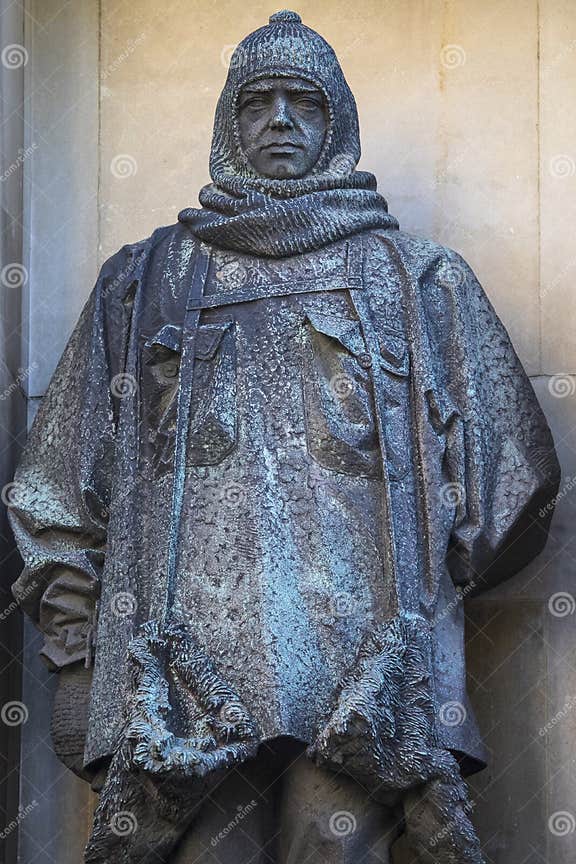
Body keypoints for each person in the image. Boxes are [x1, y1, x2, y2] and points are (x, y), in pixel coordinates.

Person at [8, 10, 560, 864]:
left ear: (336, 121)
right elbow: (57, 487)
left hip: (366, 675)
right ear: (228, 125)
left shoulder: (418, 284)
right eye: (256, 102)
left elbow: (515, 472)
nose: (280, 121)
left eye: (303, 101)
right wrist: (77, 648)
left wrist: (421, 592)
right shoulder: (144, 281)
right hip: (182, 682)